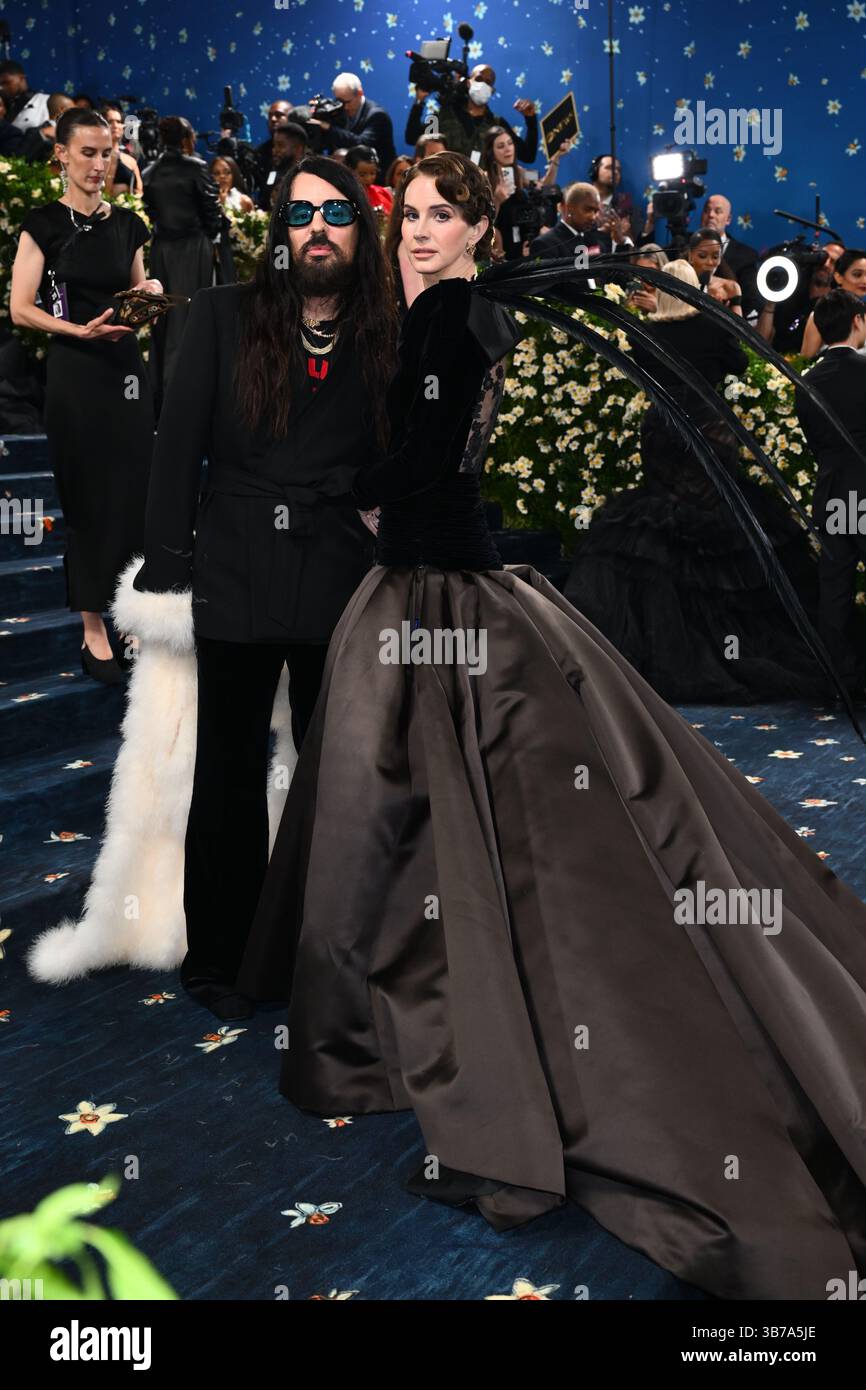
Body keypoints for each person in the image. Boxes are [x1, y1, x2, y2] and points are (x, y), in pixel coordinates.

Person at [235, 151, 866, 1303]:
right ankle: (424, 1004)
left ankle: (429, 1037)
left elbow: (423, 464)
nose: (416, 232)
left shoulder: (444, 319)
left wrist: (332, 482)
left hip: (436, 591)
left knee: (428, 815)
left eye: (440, 215)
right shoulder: (467, 314)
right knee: (455, 816)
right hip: (456, 581)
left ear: (479, 225)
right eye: (407, 215)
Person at [130, 155, 397, 1020]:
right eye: (300, 213)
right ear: (278, 231)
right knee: (230, 775)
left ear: (362, 228)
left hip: (339, 578)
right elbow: (176, 450)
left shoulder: (387, 331)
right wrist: (166, 575)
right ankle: (224, 956)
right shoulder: (218, 314)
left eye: (336, 213)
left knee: (338, 776)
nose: (317, 228)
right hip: (237, 569)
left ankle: (326, 952)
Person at [565, 258, 822, 702]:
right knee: (715, 525)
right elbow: (742, 364)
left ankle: (667, 644)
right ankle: (722, 644)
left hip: (661, 431)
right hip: (709, 428)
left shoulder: (644, 332)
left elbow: (638, 372)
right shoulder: (712, 327)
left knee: (666, 524)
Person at [9, 107, 157, 683]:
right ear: (62, 155)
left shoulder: (128, 226)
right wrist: (77, 331)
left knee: (134, 494)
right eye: (88, 153)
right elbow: (21, 307)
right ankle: (93, 625)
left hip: (125, 369)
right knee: (88, 498)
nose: (100, 165)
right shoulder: (43, 222)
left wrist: (149, 298)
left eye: (107, 152)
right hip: (75, 372)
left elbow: (134, 293)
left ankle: (133, 615)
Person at [796, 289, 866, 688]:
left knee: (834, 587)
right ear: (857, 321)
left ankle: (840, 680)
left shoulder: (806, 382)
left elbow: (816, 442)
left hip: (832, 496)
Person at [142, 115, 223, 413]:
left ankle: (161, 397)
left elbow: (149, 209)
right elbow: (211, 210)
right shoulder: (196, 169)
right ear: (187, 137)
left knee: (162, 321)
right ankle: (182, 402)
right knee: (185, 320)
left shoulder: (149, 172)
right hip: (191, 247)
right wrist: (213, 234)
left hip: (162, 248)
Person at [406, 63, 538, 165]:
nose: (483, 84)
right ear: (468, 83)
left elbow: (527, 156)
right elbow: (412, 137)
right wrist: (419, 102)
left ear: (492, 90)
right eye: (479, 79)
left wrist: (531, 120)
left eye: (488, 82)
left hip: (480, 193)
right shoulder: (441, 116)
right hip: (445, 191)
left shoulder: (497, 125)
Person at [480, 126, 573, 260]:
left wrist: (556, 159)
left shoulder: (521, 172)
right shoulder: (484, 178)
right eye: (501, 146)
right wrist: (498, 200)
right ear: (491, 152)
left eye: (510, 143)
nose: (508, 149)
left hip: (524, 241)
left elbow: (544, 186)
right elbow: (482, 221)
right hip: (500, 245)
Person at [310, 73, 397, 179]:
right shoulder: (338, 111)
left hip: (375, 179)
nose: (343, 107)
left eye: (347, 102)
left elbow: (362, 144)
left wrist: (329, 128)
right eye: (339, 101)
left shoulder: (377, 115)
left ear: (360, 93)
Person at [529, 181, 631, 259]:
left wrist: (620, 242)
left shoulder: (596, 241)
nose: (593, 217)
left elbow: (612, 278)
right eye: (588, 210)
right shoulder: (545, 244)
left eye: (596, 211)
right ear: (569, 208)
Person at [699, 193, 760, 316]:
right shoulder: (683, 246)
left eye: (718, 211)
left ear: (728, 219)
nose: (711, 215)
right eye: (707, 210)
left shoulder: (746, 256)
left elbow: (749, 300)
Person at [801, 249, 866, 358]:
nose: (864, 280)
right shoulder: (821, 315)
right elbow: (804, 361)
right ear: (838, 277)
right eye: (857, 274)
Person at [684, 228, 743, 315]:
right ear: (690, 256)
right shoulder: (680, 283)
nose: (710, 262)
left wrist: (723, 314)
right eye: (702, 256)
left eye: (715, 256)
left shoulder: (730, 288)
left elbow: (739, 327)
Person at [253, 99, 294, 209]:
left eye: (279, 115)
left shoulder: (308, 154)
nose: (273, 119)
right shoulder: (261, 152)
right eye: (270, 116)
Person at [99, 102, 143, 195]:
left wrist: (126, 191)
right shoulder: (93, 159)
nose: (115, 126)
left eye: (118, 122)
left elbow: (139, 192)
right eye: (110, 122)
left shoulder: (131, 161)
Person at [589, 153, 634, 240]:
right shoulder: (581, 200)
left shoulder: (624, 203)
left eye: (618, 170)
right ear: (595, 171)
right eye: (609, 168)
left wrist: (623, 234)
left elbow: (631, 244)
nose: (616, 172)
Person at [0, 59, 50, 132]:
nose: (1, 88)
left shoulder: (45, 101)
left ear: (21, 78)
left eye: (6, 82)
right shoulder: (3, 106)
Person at [344, 144, 393, 217]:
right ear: (349, 171)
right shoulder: (343, 196)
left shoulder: (383, 192)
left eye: (372, 173)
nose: (368, 179)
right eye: (362, 174)